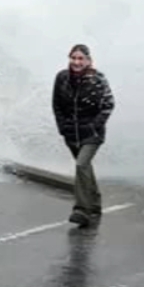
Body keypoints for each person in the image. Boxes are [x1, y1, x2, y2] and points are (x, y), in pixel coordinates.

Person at [51, 43, 115, 229]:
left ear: (88, 60)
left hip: (91, 134)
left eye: (81, 58)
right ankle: (95, 204)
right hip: (71, 133)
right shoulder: (62, 78)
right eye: (73, 58)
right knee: (85, 168)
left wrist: (94, 126)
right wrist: (62, 127)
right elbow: (56, 104)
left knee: (81, 164)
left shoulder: (97, 79)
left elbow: (108, 104)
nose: (76, 62)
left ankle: (82, 210)